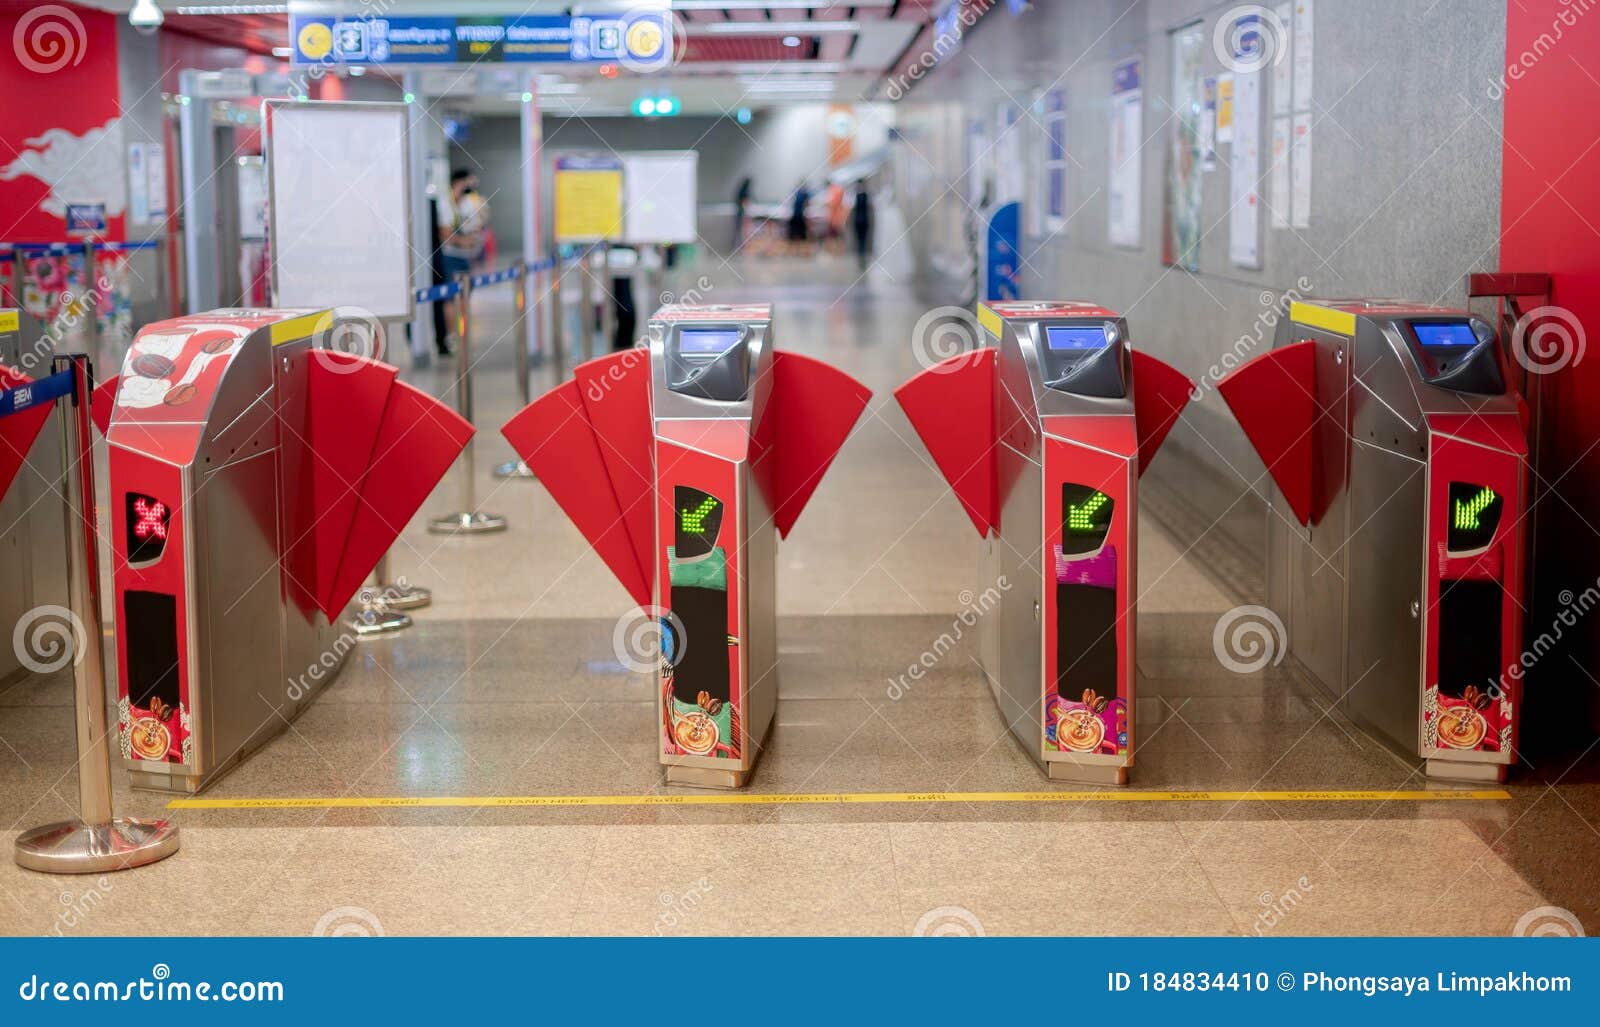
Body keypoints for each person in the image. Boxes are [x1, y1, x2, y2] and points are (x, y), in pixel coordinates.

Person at [852, 180, 873, 270]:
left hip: (860, 221)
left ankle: (861, 254)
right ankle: (861, 254)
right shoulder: (864, 196)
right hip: (862, 221)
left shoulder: (859, 196)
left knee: (861, 240)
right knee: (862, 240)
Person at [787, 179, 811, 245]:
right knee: (801, 233)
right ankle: (800, 244)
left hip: (796, 215)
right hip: (799, 215)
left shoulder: (796, 193)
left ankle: (794, 244)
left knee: (794, 233)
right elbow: (807, 204)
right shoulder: (804, 194)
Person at [732, 176, 752, 253]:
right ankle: (738, 248)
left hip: (740, 213)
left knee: (739, 231)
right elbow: (745, 203)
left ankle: (738, 247)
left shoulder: (741, 190)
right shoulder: (744, 192)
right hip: (741, 214)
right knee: (739, 231)